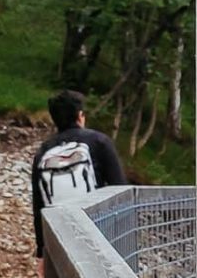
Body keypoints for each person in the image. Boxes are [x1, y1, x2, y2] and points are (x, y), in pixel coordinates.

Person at [32, 90, 127, 259]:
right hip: (98, 231)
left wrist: (42, 252)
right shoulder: (99, 142)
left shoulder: (44, 152)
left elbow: (39, 205)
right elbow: (120, 190)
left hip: (60, 237)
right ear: (80, 116)